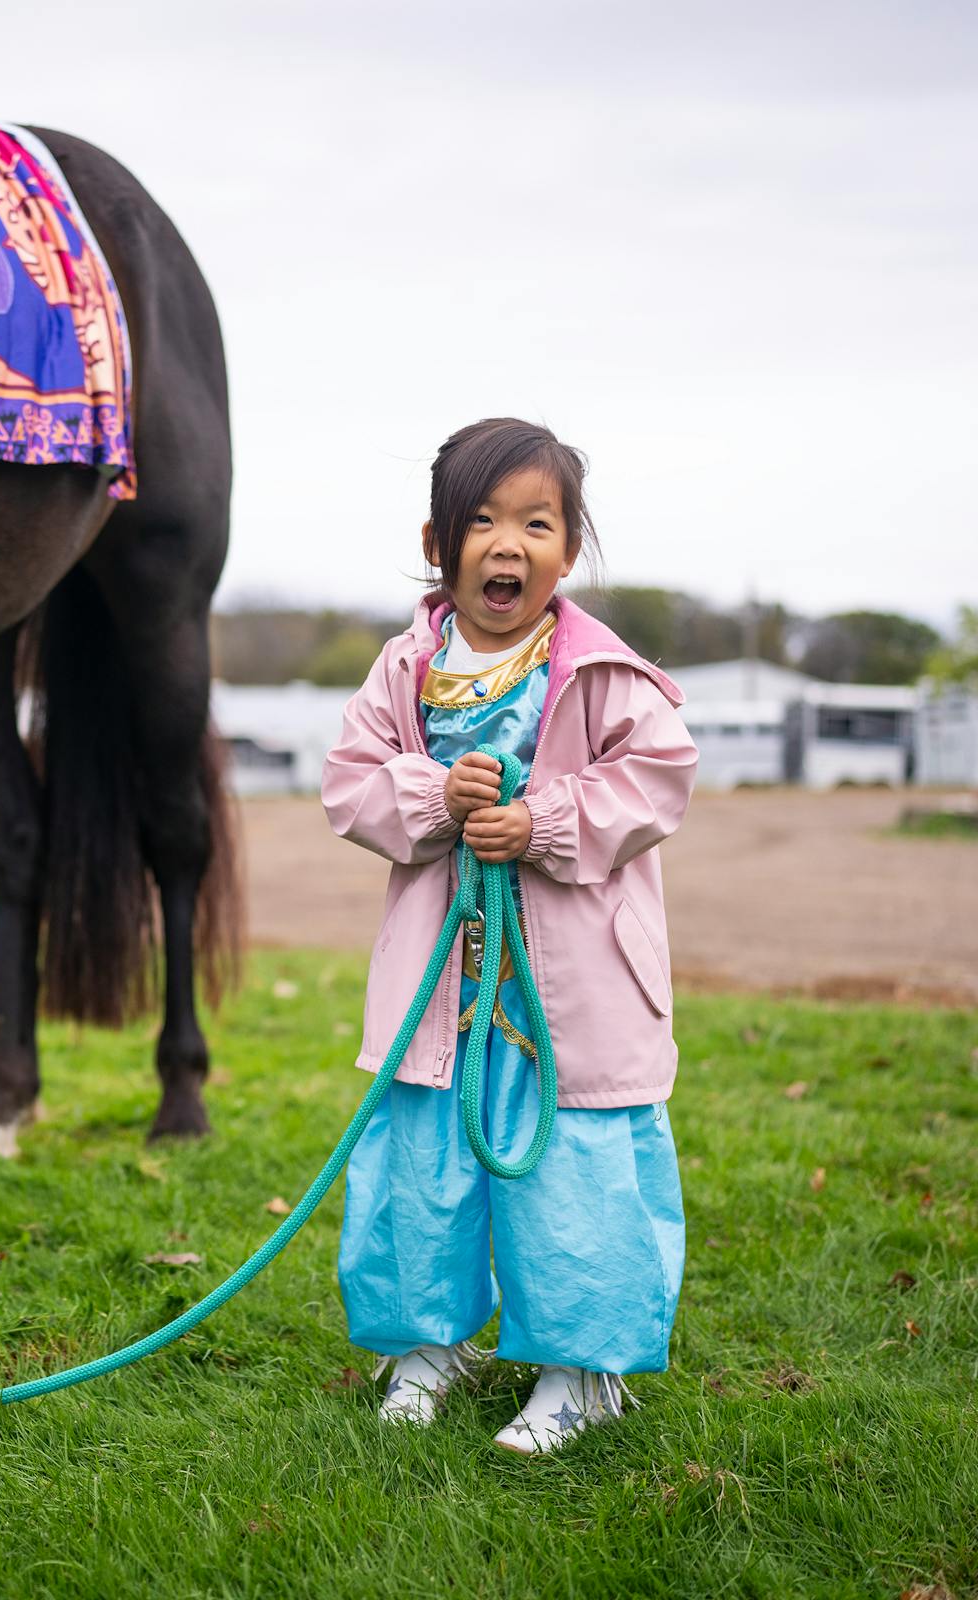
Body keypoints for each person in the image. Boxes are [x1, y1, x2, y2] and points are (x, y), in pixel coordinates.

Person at [320, 417, 699, 1452]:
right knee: (423, 1162)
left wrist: (547, 821)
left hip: (570, 985)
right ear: (440, 540)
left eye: (536, 521)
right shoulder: (406, 667)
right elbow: (351, 784)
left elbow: (656, 782)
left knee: (571, 1166)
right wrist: (435, 794)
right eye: (480, 519)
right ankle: (423, 1347)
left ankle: (581, 1372)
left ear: (566, 549)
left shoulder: (608, 675)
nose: (506, 543)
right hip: (445, 979)